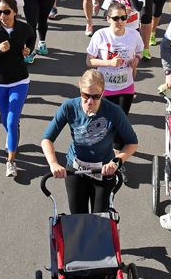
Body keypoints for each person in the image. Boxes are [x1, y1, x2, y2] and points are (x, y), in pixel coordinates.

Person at [41, 69, 139, 214]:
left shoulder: (114, 111)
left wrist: (116, 162)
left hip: (103, 171)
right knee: (78, 219)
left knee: (99, 220)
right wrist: (53, 163)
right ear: (80, 88)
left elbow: (132, 143)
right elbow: (47, 139)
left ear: (103, 92)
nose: (90, 101)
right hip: (75, 170)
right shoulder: (69, 107)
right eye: (85, 95)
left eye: (95, 96)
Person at [0, 0, 35, 178]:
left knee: (12, 121)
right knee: (6, 121)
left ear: (14, 12)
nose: (2, 15)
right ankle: (13, 134)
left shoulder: (23, 28)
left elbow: (31, 37)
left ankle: (11, 161)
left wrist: (28, 49)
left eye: (6, 12)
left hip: (19, 81)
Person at [87, 1, 144, 122]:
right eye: (116, 18)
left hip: (126, 87)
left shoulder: (134, 35)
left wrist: (137, 60)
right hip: (104, 88)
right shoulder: (100, 35)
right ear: (108, 19)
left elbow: (140, 51)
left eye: (123, 18)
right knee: (105, 123)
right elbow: (89, 61)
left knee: (121, 121)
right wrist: (109, 63)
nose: (120, 21)